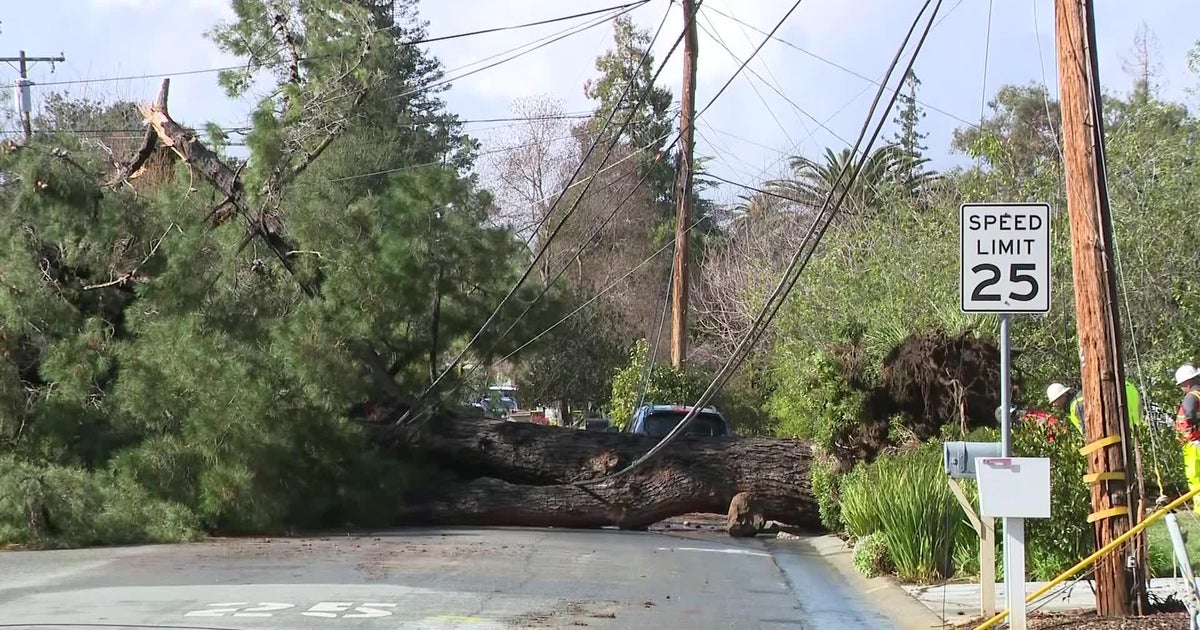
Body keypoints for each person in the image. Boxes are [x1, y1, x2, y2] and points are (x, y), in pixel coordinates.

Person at [1045, 379, 1143, 434]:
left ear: (1063, 396)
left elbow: (1089, 431)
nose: (1054, 404)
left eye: (1055, 401)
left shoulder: (1078, 405)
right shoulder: (1074, 404)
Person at [1173, 364, 1200, 512]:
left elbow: (1189, 414)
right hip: (1196, 442)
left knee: (1194, 478)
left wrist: (1194, 422)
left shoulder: (1191, 396)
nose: (1181, 388)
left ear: (1187, 383)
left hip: (1193, 445)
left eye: (1181, 385)